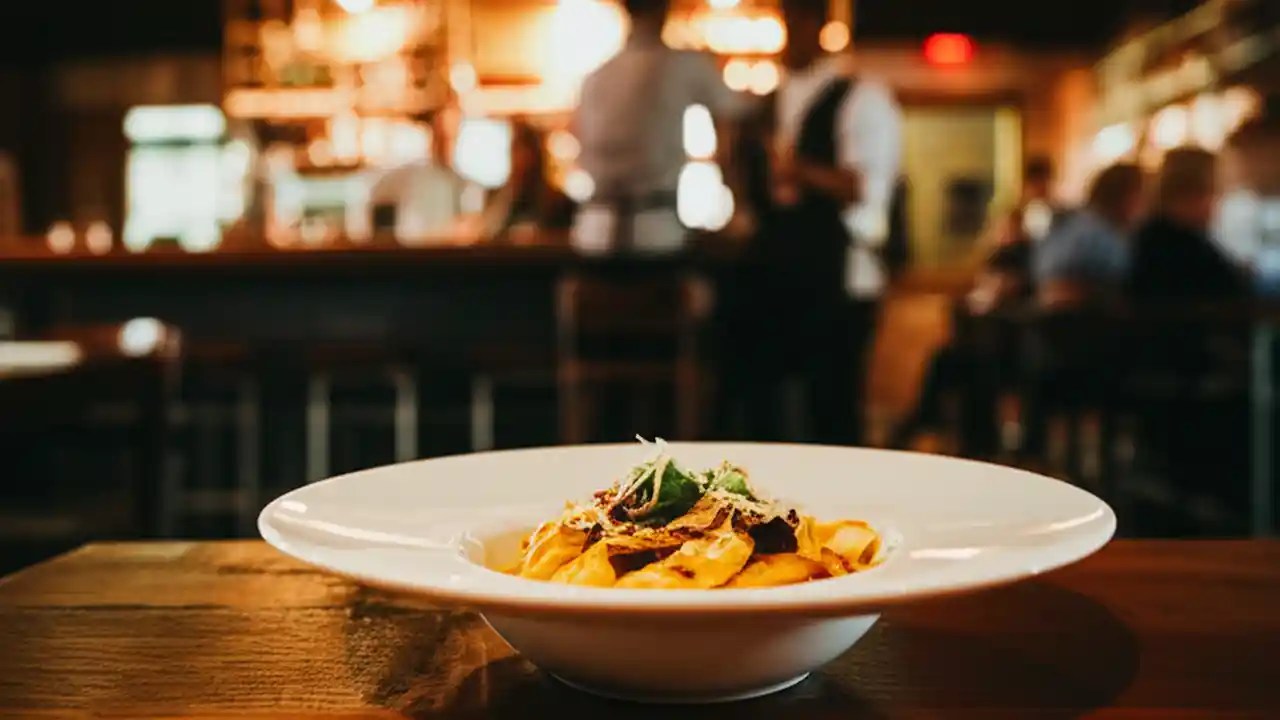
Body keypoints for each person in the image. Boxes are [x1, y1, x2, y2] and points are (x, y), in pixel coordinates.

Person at [738, 0, 903, 445]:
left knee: (833, 403)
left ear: (819, 25)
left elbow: (863, 187)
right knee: (770, 402)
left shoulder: (859, 96)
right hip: (779, 268)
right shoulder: (771, 99)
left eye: (797, 21)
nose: (790, 33)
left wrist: (797, 171)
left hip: (841, 272)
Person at [570, 0, 749, 255]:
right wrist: (739, 206)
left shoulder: (594, 78)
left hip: (593, 231)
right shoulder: (683, 64)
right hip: (656, 231)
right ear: (665, 9)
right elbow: (732, 124)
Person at [1127, 147, 1249, 301]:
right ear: (1190, 193)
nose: (1216, 203)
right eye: (1213, 191)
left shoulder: (1158, 235)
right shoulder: (1173, 245)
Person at [1035, 163, 1146, 306]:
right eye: (1139, 195)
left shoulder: (1079, 223)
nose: (1143, 205)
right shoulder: (1095, 232)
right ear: (1123, 196)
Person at [479, 120, 573, 241]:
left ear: (538, 156)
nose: (520, 159)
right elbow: (487, 234)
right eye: (515, 150)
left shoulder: (559, 202)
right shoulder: (496, 197)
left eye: (525, 151)